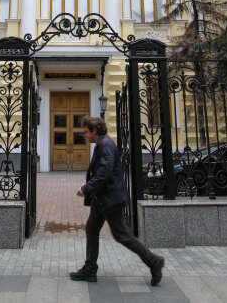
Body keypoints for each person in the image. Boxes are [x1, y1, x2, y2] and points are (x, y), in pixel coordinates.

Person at [70, 116, 164, 285]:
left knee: (122, 235)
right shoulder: (102, 143)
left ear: (94, 131)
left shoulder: (105, 145)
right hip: (101, 198)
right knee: (92, 229)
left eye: (86, 132)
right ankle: (90, 269)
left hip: (110, 198)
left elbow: (104, 173)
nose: (85, 135)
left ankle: (153, 261)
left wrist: (86, 189)